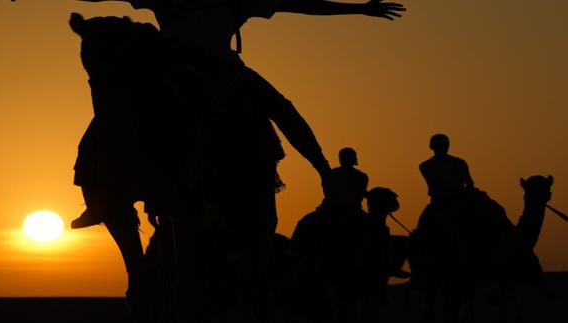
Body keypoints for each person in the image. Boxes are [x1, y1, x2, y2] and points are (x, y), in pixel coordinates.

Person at [68, 0, 405, 229]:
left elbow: (299, 3)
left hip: (221, 72)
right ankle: (99, 197)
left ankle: (324, 171)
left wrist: (359, 8)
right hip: (169, 70)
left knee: (281, 108)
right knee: (107, 122)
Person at [416, 133, 480, 234]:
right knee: (424, 227)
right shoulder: (425, 166)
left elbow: (469, 183)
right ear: (432, 147)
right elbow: (435, 185)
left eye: (443, 145)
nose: (441, 148)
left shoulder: (460, 163)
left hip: (461, 201)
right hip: (439, 203)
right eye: (439, 146)